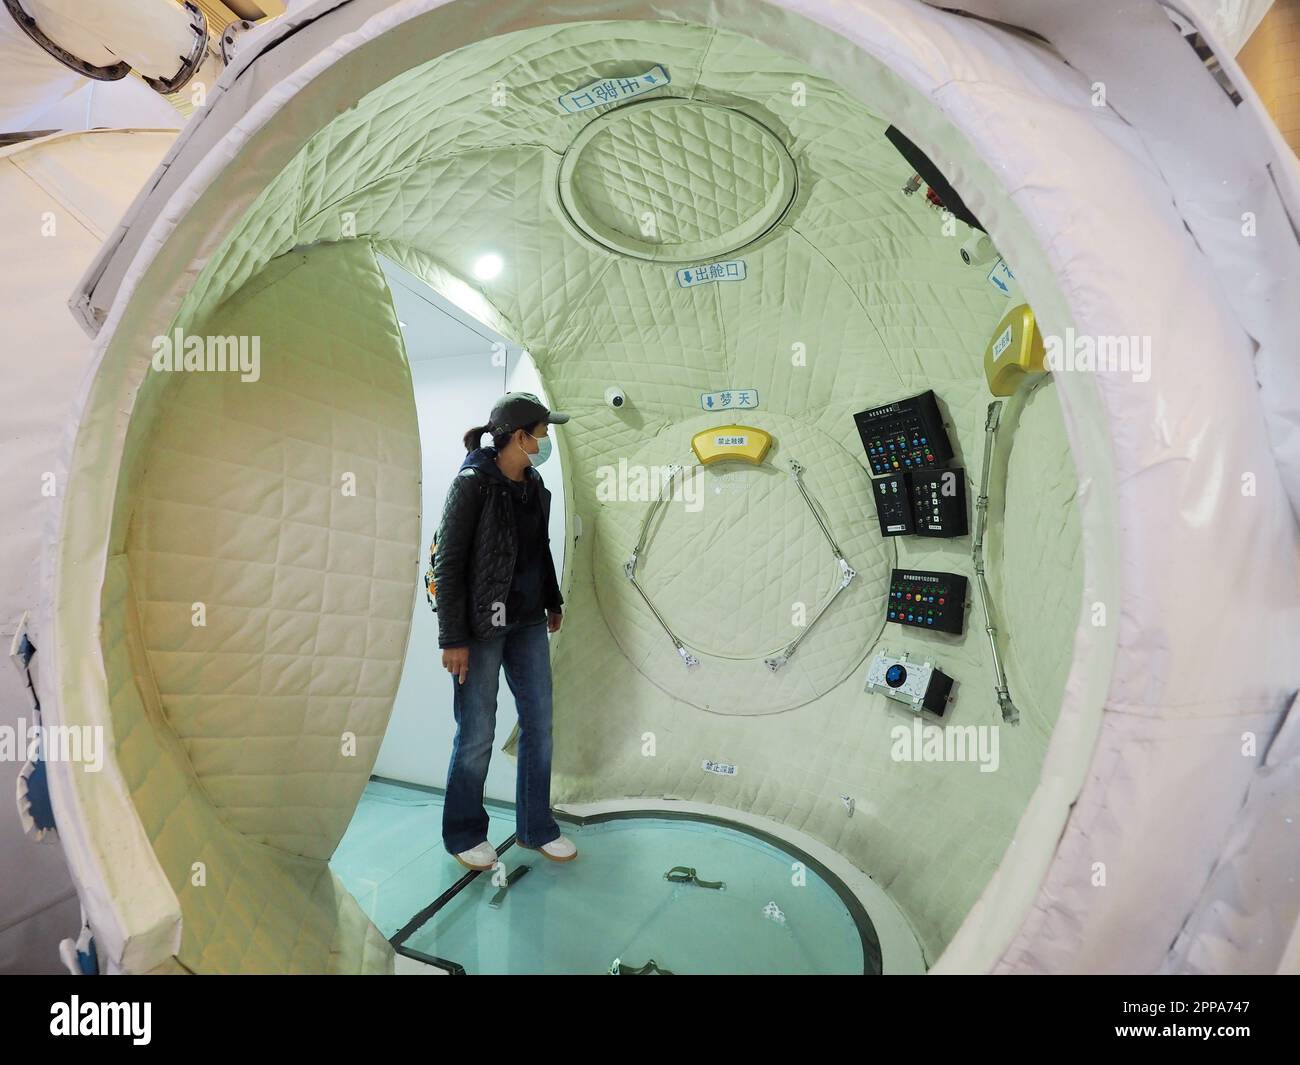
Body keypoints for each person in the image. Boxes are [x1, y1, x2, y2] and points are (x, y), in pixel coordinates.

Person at [433, 391, 577, 871]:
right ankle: (464, 834)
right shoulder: (471, 485)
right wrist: (452, 638)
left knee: (541, 723)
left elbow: (540, 551)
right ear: (519, 436)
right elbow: (448, 565)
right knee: (477, 731)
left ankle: (536, 827)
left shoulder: (533, 485)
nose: (546, 440)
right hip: (479, 626)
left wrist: (552, 600)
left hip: (528, 622)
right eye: (542, 432)